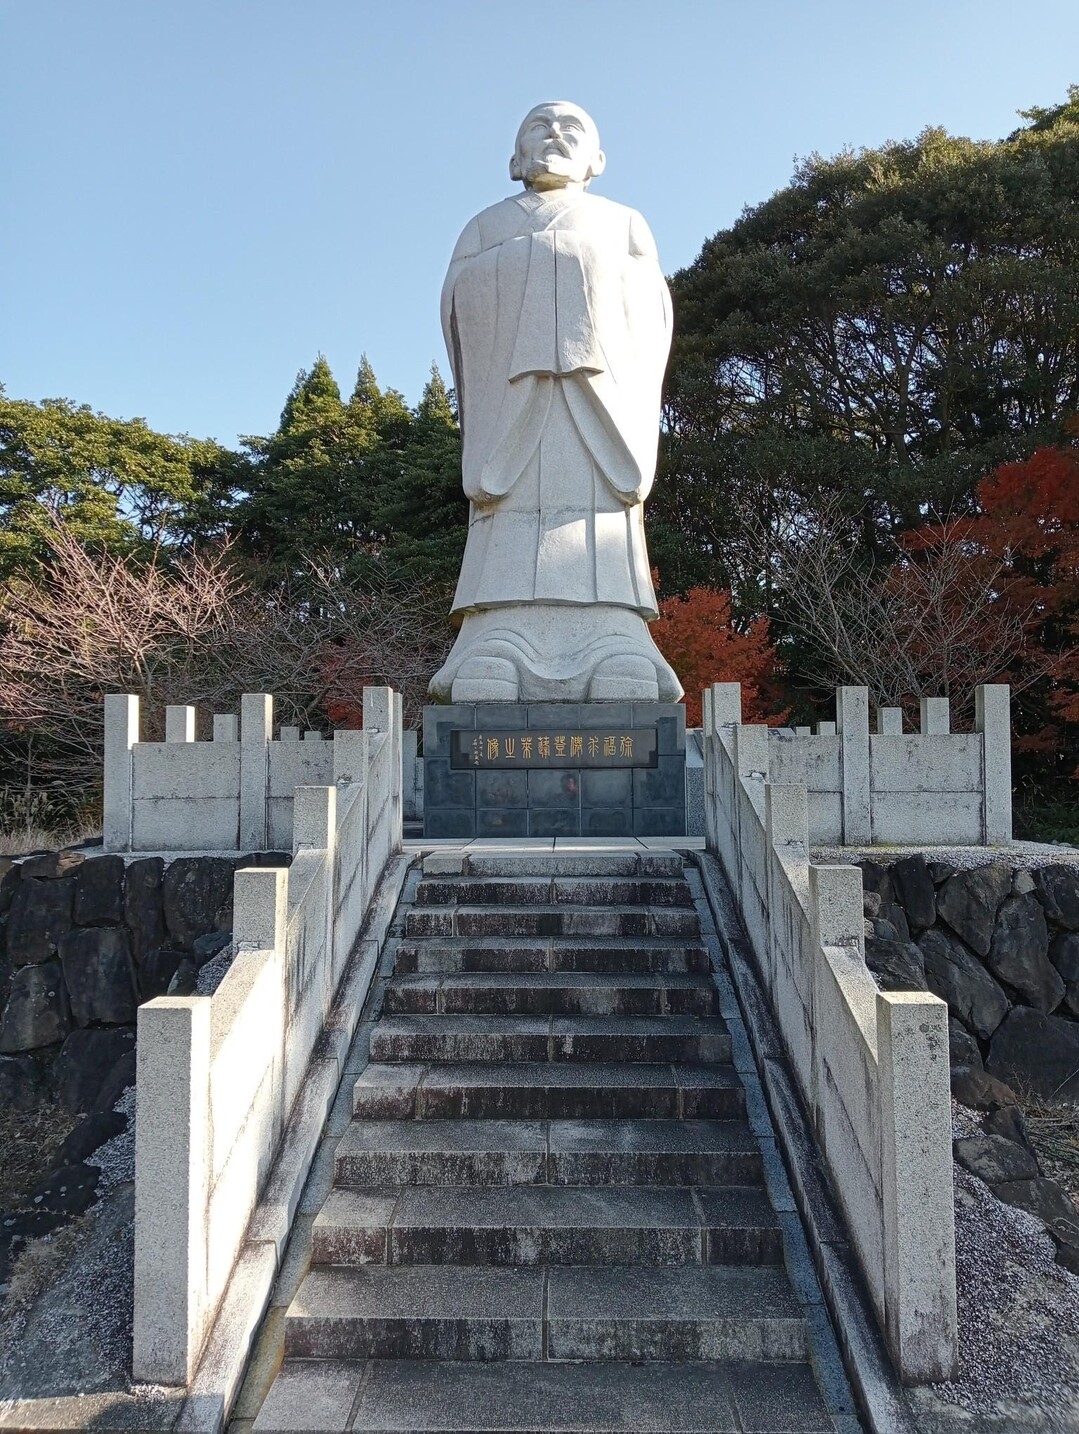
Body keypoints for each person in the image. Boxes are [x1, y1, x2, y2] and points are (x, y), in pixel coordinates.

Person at [428, 100, 682, 703]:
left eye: (572, 130)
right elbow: (459, 303)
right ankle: (499, 638)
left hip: (599, 398)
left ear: (597, 158)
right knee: (511, 510)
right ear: (515, 158)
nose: (554, 136)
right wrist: (540, 266)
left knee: (600, 515)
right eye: (538, 128)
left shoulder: (624, 223)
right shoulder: (486, 225)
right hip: (511, 401)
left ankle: (614, 639)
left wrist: (580, 269)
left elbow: (652, 308)